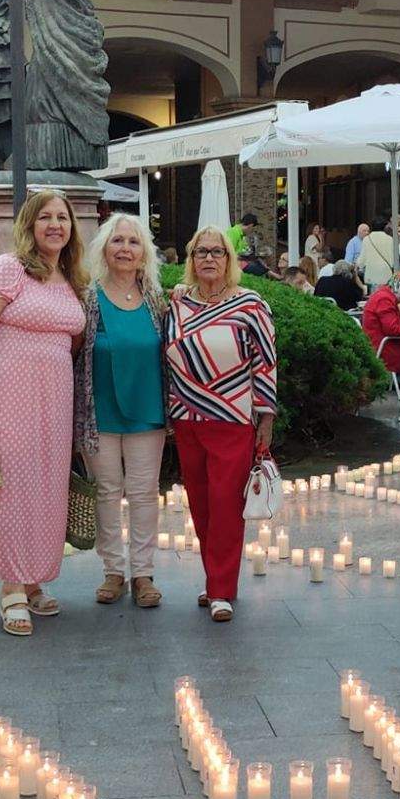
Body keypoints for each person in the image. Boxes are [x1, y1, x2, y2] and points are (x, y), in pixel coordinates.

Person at [0, 190, 86, 637]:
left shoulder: (70, 278)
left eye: (63, 218)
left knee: (46, 484)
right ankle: (11, 587)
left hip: (55, 398)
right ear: (30, 225)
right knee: (11, 482)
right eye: (46, 218)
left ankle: (34, 577)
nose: (55, 225)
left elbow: (71, 341)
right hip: (8, 392)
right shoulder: (8, 268)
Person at [164, 226, 276, 623]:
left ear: (230, 260)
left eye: (217, 252)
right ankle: (215, 578)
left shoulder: (250, 304)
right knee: (201, 505)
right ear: (191, 260)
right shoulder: (177, 305)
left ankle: (223, 590)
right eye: (200, 252)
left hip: (232, 418)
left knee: (227, 505)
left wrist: (266, 417)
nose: (208, 258)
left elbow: (264, 362)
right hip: (187, 418)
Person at [75, 213, 167, 610]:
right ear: (104, 250)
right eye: (117, 242)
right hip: (101, 413)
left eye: (133, 242)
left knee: (145, 493)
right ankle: (113, 571)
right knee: (107, 494)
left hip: (147, 410)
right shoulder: (88, 297)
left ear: (143, 252)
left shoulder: (157, 301)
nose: (125, 249)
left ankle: (143, 573)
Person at [362, 267, 400, 376]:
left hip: (378, 342)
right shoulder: (384, 299)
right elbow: (392, 329)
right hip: (384, 346)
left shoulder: (383, 295)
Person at [359, 221, 398, 289]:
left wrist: (359, 266)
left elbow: (362, 260)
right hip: (386, 275)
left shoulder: (367, 239)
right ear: (384, 227)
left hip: (371, 275)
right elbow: (393, 260)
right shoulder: (390, 239)